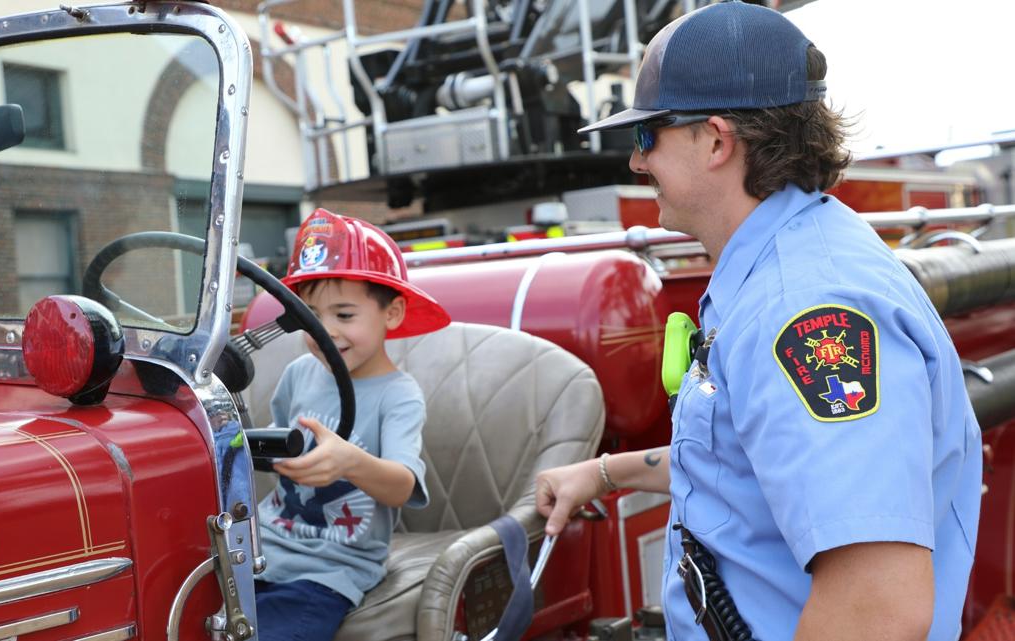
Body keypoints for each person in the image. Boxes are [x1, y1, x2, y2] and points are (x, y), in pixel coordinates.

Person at [535, 2, 982, 639]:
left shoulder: (805, 310)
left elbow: (876, 609)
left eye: (646, 137)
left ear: (716, 139)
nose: (637, 163)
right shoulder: (785, 264)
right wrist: (605, 473)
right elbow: (750, 460)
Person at [253, 208, 451, 641]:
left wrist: (349, 462)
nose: (325, 332)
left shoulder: (398, 395)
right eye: (310, 316)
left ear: (392, 313)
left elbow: (402, 485)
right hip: (260, 549)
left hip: (330, 568)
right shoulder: (298, 374)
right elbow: (274, 445)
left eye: (344, 316)